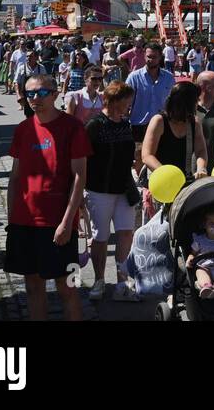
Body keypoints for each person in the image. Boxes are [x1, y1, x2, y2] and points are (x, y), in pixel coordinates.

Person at [5, 75, 90, 321]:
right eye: (29, 93)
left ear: (55, 94)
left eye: (41, 93)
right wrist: (12, 219)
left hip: (57, 223)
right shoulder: (23, 129)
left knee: (67, 288)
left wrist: (67, 221)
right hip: (24, 221)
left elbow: (79, 178)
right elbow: (15, 178)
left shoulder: (73, 127)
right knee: (32, 285)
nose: (35, 98)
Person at [83, 80, 139, 302]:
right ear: (115, 101)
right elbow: (83, 158)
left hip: (124, 189)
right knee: (101, 236)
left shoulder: (125, 124)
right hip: (100, 189)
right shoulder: (95, 125)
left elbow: (129, 154)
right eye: (127, 101)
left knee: (126, 233)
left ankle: (122, 282)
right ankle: (98, 280)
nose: (130, 106)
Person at [142, 80, 209, 182]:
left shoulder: (194, 123)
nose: (197, 105)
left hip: (185, 180)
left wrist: (201, 168)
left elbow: (201, 151)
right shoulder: (159, 121)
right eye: (196, 101)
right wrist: (168, 175)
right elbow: (147, 156)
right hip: (161, 181)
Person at [126, 43, 175, 144]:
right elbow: (125, 102)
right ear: (144, 56)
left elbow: (173, 102)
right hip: (139, 126)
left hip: (162, 126)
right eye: (148, 57)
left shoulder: (169, 78)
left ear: (160, 57)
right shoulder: (134, 77)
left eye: (154, 57)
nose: (151, 60)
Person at [13, 49, 48, 118]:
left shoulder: (41, 68)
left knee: (39, 114)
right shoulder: (21, 68)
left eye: (30, 56)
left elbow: (46, 82)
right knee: (28, 115)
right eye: (27, 56)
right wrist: (18, 95)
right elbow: (16, 82)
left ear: (36, 58)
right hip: (27, 95)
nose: (28, 58)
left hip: (39, 95)